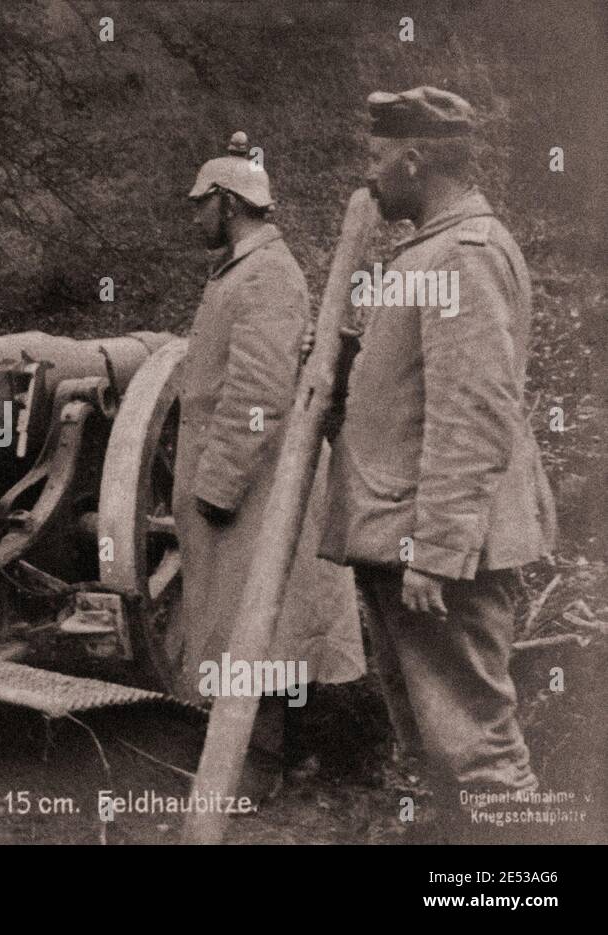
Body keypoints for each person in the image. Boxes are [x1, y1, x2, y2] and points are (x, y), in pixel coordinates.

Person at [320, 87, 557, 832]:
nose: (370, 177)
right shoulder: (432, 248)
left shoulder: (465, 253)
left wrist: (436, 549)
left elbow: (473, 413)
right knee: (435, 744)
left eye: (377, 159)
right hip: (407, 536)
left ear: (415, 159)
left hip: (440, 551)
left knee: (478, 752)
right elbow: (422, 387)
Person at [169, 132, 364, 733]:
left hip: (251, 487)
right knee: (241, 625)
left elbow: (258, 394)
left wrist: (219, 486)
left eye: (202, 202)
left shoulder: (268, 276)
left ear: (228, 204)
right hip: (233, 479)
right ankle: (254, 750)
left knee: (266, 627)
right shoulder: (238, 272)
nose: (195, 214)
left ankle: (269, 756)